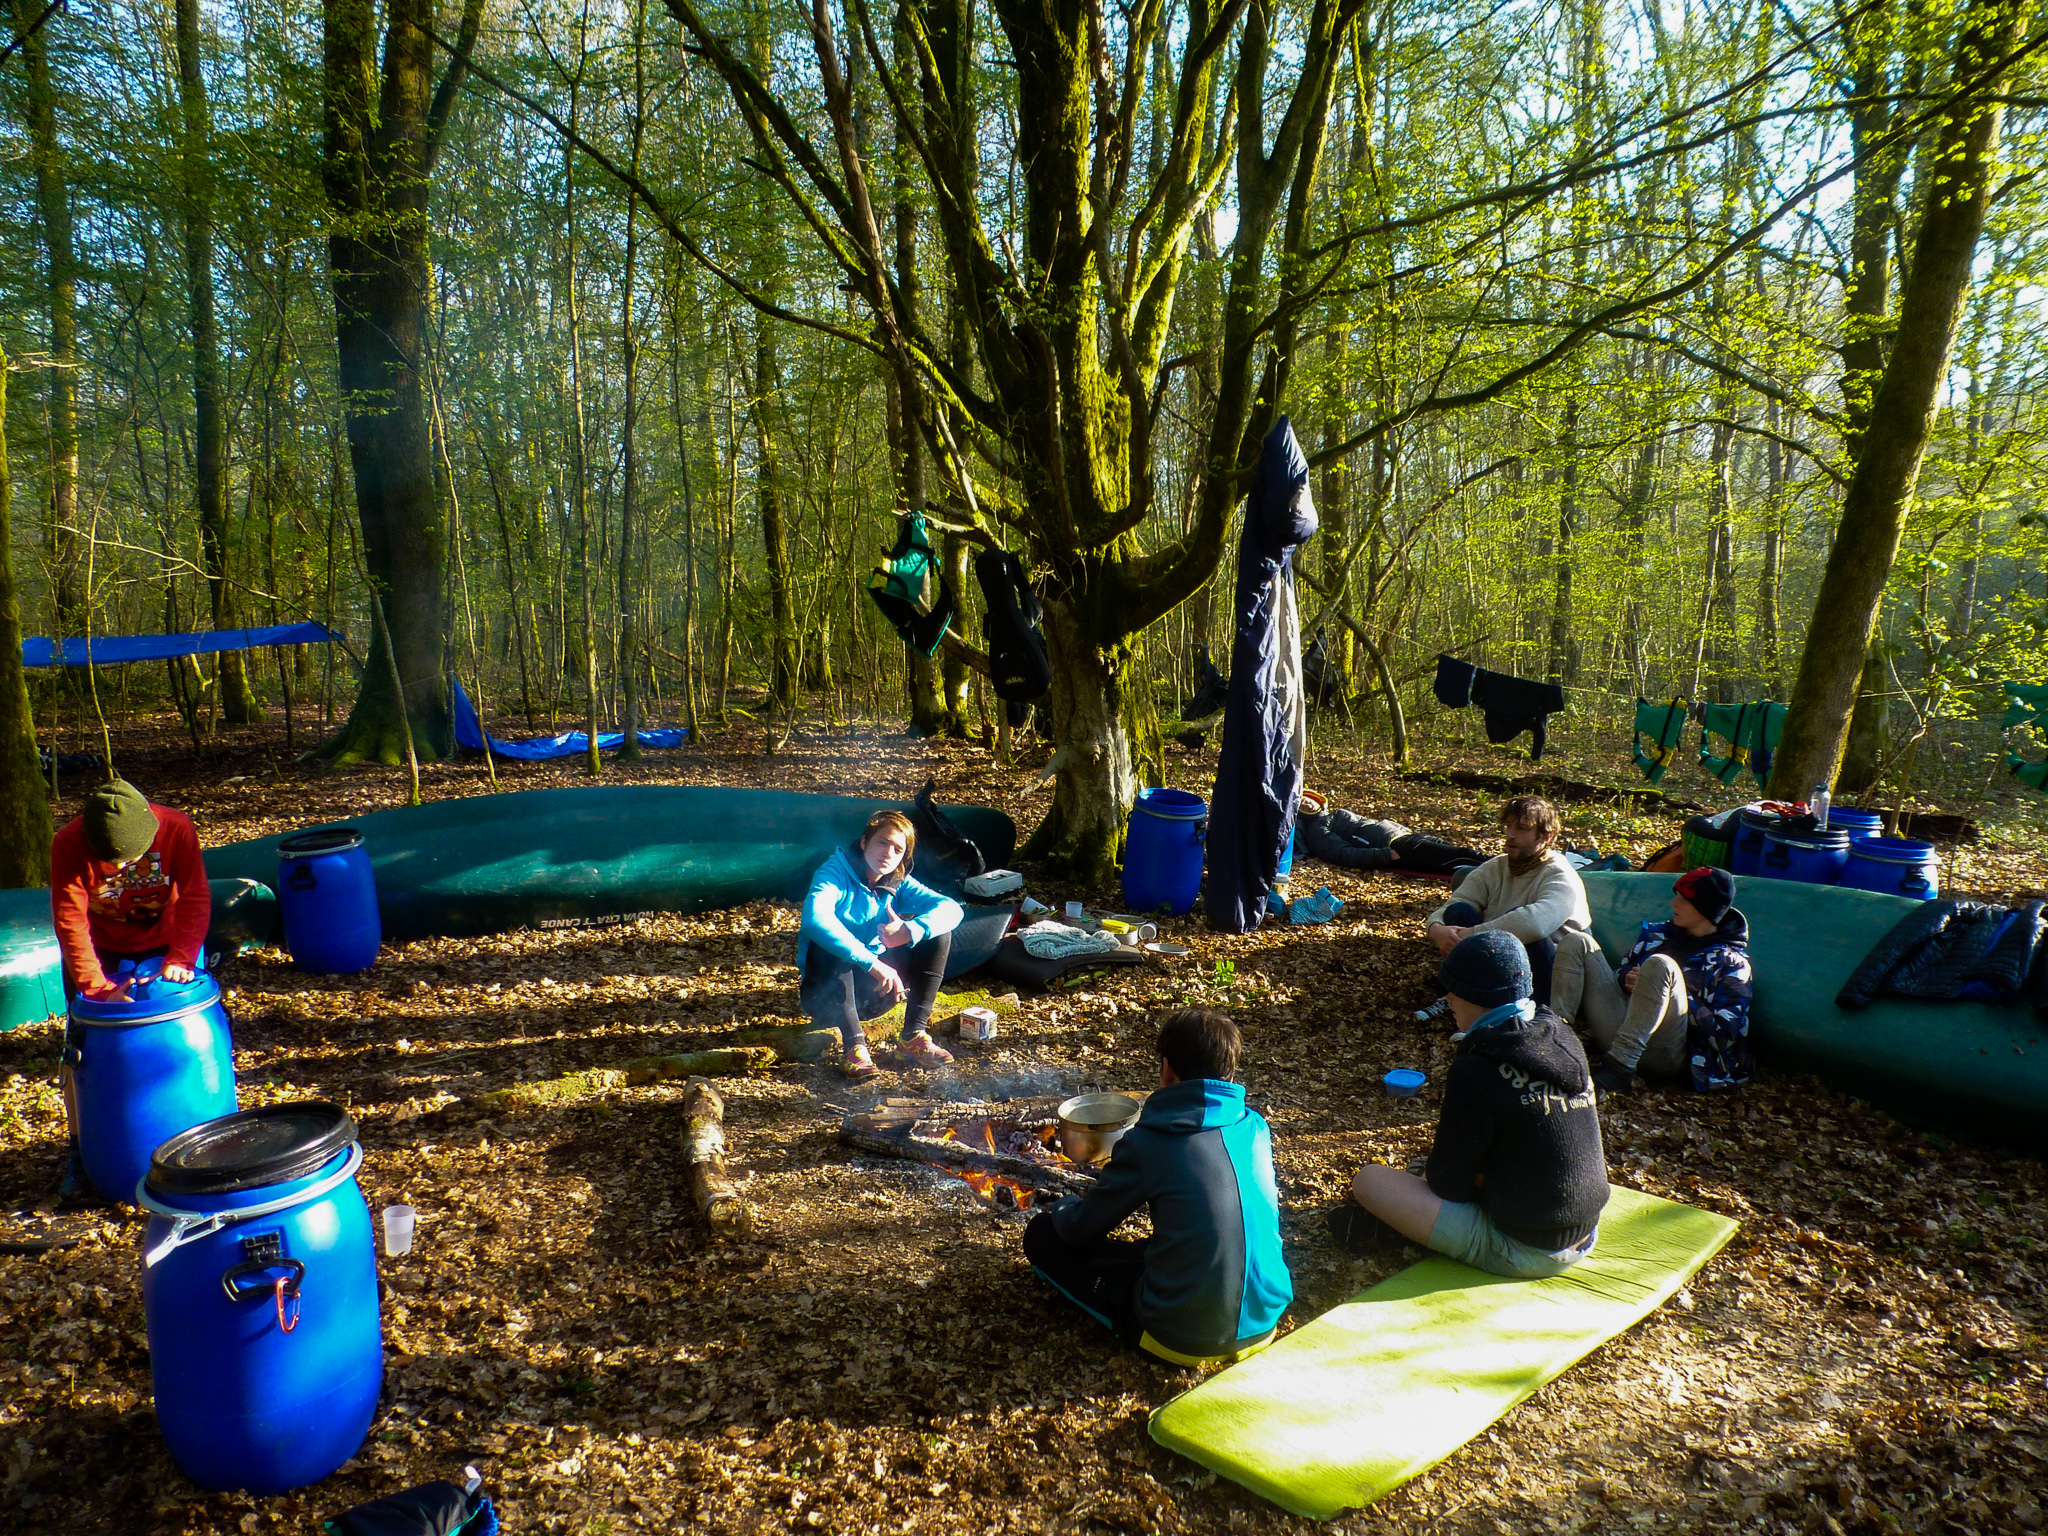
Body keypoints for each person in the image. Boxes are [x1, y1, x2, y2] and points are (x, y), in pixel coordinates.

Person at [1022, 1008, 1293, 1366]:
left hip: (1179, 1336)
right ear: (1229, 1072)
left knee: (1041, 1235)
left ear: (1167, 1070)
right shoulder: (1256, 1127)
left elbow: (1078, 1231)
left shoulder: (1150, 1142)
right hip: (1266, 1318)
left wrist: (1062, 1207)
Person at [1334, 931, 1608, 1278]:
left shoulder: (1478, 1065)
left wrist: (1463, 1176)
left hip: (1527, 1248)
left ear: (1478, 997)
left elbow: (1448, 1184)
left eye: (1455, 990)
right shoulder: (1559, 1033)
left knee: (1369, 1181)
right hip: (1584, 1230)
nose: (1447, 999)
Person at [49, 779, 213, 1201]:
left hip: (166, 940)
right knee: (81, 1050)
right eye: (112, 861)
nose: (122, 869)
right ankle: (80, 1153)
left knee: (179, 1038)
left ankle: (198, 1136)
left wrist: (181, 957)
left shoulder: (175, 828)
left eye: (132, 859)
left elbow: (194, 895)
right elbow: (70, 919)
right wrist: (97, 988)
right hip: (99, 947)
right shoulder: (68, 843)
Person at [1550, 865, 1754, 1094]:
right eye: (1676, 896)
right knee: (1577, 941)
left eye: (1684, 900)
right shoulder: (1659, 936)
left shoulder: (1731, 963)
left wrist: (1672, 995)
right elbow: (1621, 970)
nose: (1673, 904)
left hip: (1666, 1053)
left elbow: (1725, 1036)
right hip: (1617, 1030)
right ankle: (1555, 1039)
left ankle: (1619, 1068)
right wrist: (1625, 977)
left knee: (1660, 965)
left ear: (1705, 909)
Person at [798, 809, 964, 1081]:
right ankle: (854, 1048)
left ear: (903, 857)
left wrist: (910, 930)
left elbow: (951, 909)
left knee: (936, 933)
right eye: (882, 842)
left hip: (877, 994)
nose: (888, 853)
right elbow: (815, 920)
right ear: (864, 842)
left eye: (898, 849)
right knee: (831, 942)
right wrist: (873, 963)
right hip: (825, 998)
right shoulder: (834, 874)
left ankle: (912, 1036)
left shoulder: (897, 882)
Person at [1421, 794, 1588, 1013]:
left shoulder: (1560, 875)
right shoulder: (1497, 867)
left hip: (1550, 973)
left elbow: (1534, 924)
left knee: (1525, 929)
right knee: (1458, 911)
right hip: (1499, 964)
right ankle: (1466, 1000)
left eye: (1522, 829)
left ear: (1546, 837)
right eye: (1508, 826)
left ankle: (1520, 1013)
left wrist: (1469, 937)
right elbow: (1458, 901)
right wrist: (1436, 930)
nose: (1510, 835)